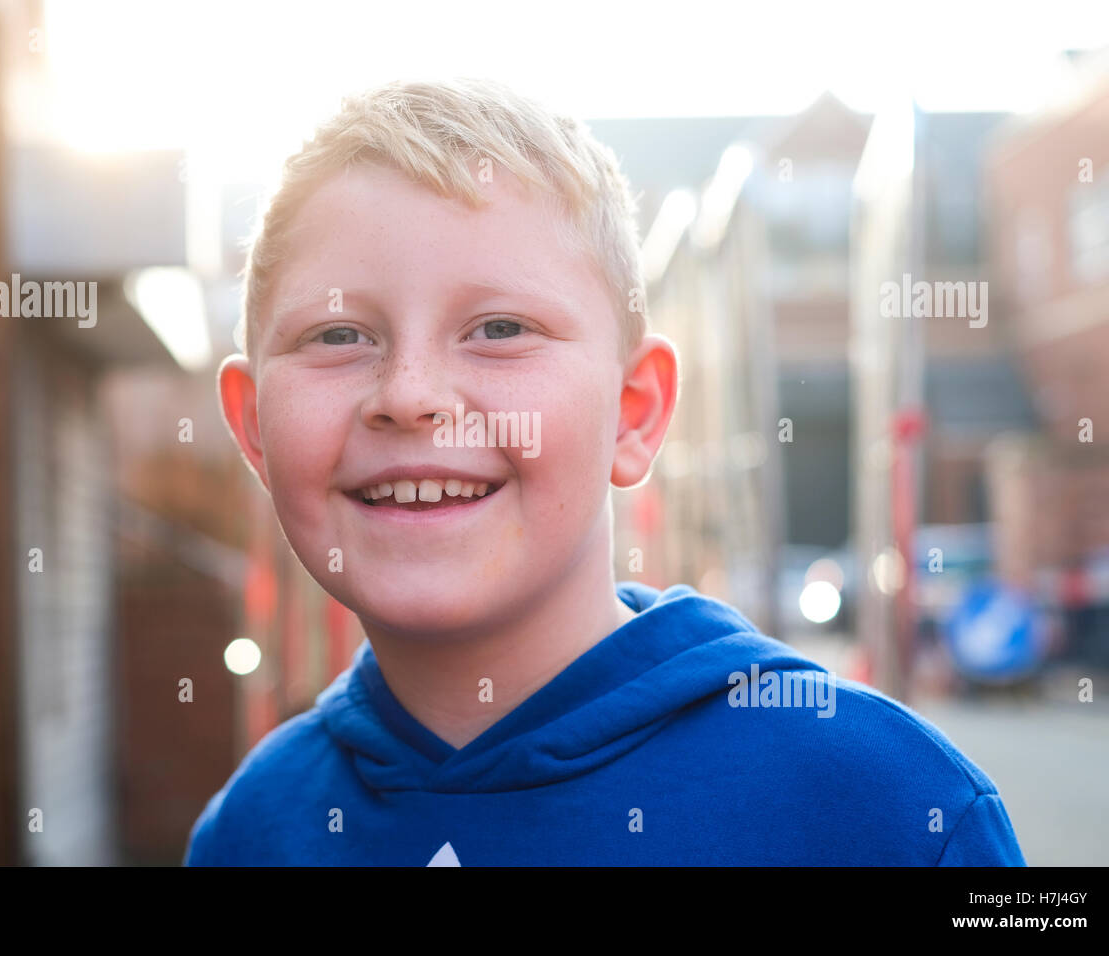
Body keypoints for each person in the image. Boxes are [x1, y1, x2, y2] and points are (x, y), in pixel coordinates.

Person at [187, 77, 1024, 865]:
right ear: (253, 426)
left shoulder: (888, 810)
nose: (409, 397)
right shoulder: (252, 830)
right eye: (338, 337)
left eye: (500, 327)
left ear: (634, 412)